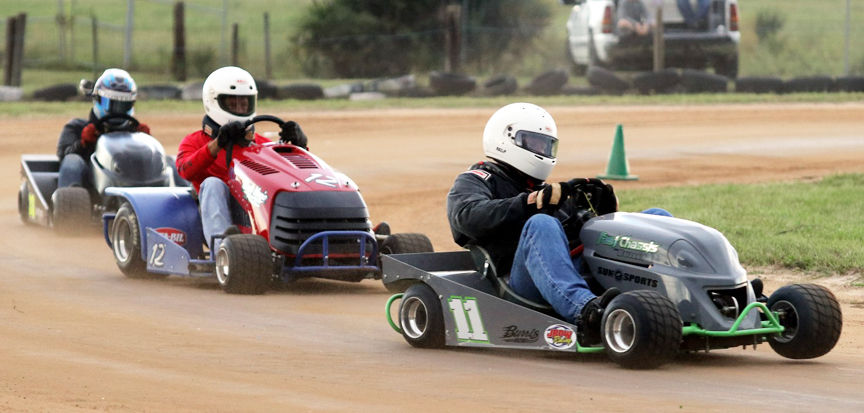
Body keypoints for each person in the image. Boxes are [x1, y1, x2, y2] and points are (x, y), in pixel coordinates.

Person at [446, 103, 670, 345]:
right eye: (535, 143)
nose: (542, 151)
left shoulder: (544, 191)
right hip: (521, 281)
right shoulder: (479, 179)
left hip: (567, 268)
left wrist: (603, 213)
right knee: (541, 223)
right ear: (506, 138)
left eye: (546, 145)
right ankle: (586, 311)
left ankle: (680, 297)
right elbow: (467, 217)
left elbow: (580, 233)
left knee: (655, 218)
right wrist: (528, 203)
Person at [176, 66, 307, 251]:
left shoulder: (261, 144)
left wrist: (298, 146)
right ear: (214, 102)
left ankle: (296, 245)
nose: (239, 108)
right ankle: (223, 250)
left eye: (244, 104)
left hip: (254, 204)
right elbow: (184, 170)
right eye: (233, 104)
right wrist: (218, 144)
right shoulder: (195, 141)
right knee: (213, 183)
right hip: (215, 207)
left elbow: (291, 175)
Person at [56, 68, 150, 190]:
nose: (117, 110)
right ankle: (71, 205)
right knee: (72, 160)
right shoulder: (76, 127)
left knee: (168, 162)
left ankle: (178, 200)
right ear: (97, 99)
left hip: (129, 183)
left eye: (123, 105)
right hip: (89, 190)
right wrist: (84, 144)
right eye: (112, 103)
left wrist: (145, 142)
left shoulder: (134, 132)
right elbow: (63, 157)